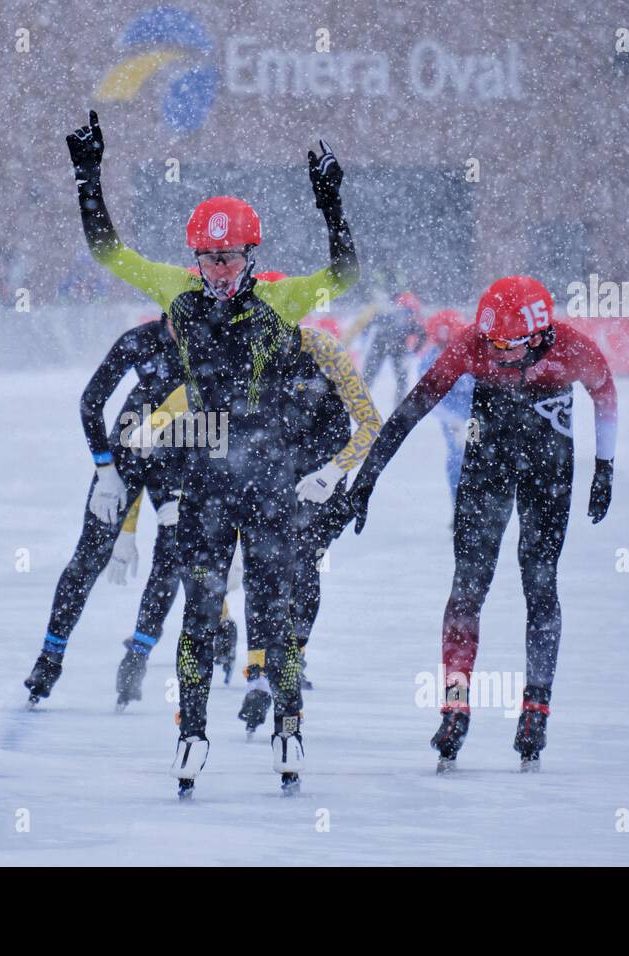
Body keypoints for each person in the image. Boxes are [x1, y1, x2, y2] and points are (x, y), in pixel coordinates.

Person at [66, 110, 359, 796]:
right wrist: (88, 175)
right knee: (198, 611)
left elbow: (344, 272)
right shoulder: (176, 292)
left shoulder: (282, 301)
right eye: (207, 258)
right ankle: (192, 733)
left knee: (274, 609)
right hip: (205, 475)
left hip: (266, 478)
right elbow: (109, 252)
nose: (218, 270)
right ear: (195, 258)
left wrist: (332, 202)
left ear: (250, 256)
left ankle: (289, 724)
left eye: (229, 258)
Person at [339, 276, 617, 772]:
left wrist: (605, 467)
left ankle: (536, 707)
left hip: (546, 475)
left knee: (540, 583)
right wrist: (367, 481)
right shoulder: (472, 344)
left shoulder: (572, 347)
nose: (499, 359)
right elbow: (410, 412)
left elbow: (605, 392)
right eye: (491, 346)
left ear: (538, 335)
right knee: (467, 588)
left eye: (509, 348)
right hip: (487, 466)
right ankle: (455, 704)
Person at [127, 274, 382, 735]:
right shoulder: (235, 351)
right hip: (265, 476)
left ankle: (285, 664)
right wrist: (156, 423)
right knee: (252, 568)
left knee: (303, 565)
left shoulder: (321, 349)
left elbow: (369, 421)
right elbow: (193, 398)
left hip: (318, 478)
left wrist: (334, 473)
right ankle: (260, 669)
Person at [21, 314, 188, 710]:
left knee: (173, 556)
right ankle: (49, 657)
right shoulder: (140, 339)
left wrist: (191, 488)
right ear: (165, 318)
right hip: (131, 446)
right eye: (177, 327)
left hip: (184, 451)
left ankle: (139, 654)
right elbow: (90, 400)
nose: (185, 334)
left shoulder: (213, 337)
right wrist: (104, 468)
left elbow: (220, 410)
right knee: (89, 556)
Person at [419, 309, 475, 505]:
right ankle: (459, 505)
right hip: (451, 418)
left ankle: (475, 505)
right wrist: (450, 418)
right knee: (457, 457)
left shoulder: (471, 354)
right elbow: (427, 398)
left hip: (474, 417)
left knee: (474, 455)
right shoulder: (429, 359)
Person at [346, 289, 425, 404]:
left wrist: (414, 350)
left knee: (391, 377)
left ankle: (358, 401)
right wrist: (415, 350)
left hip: (390, 344)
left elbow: (421, 332)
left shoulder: (393, 309)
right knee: (378, 376)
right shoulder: (396, 311)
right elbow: (421, 333)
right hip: (388, 343)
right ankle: (358, 401)